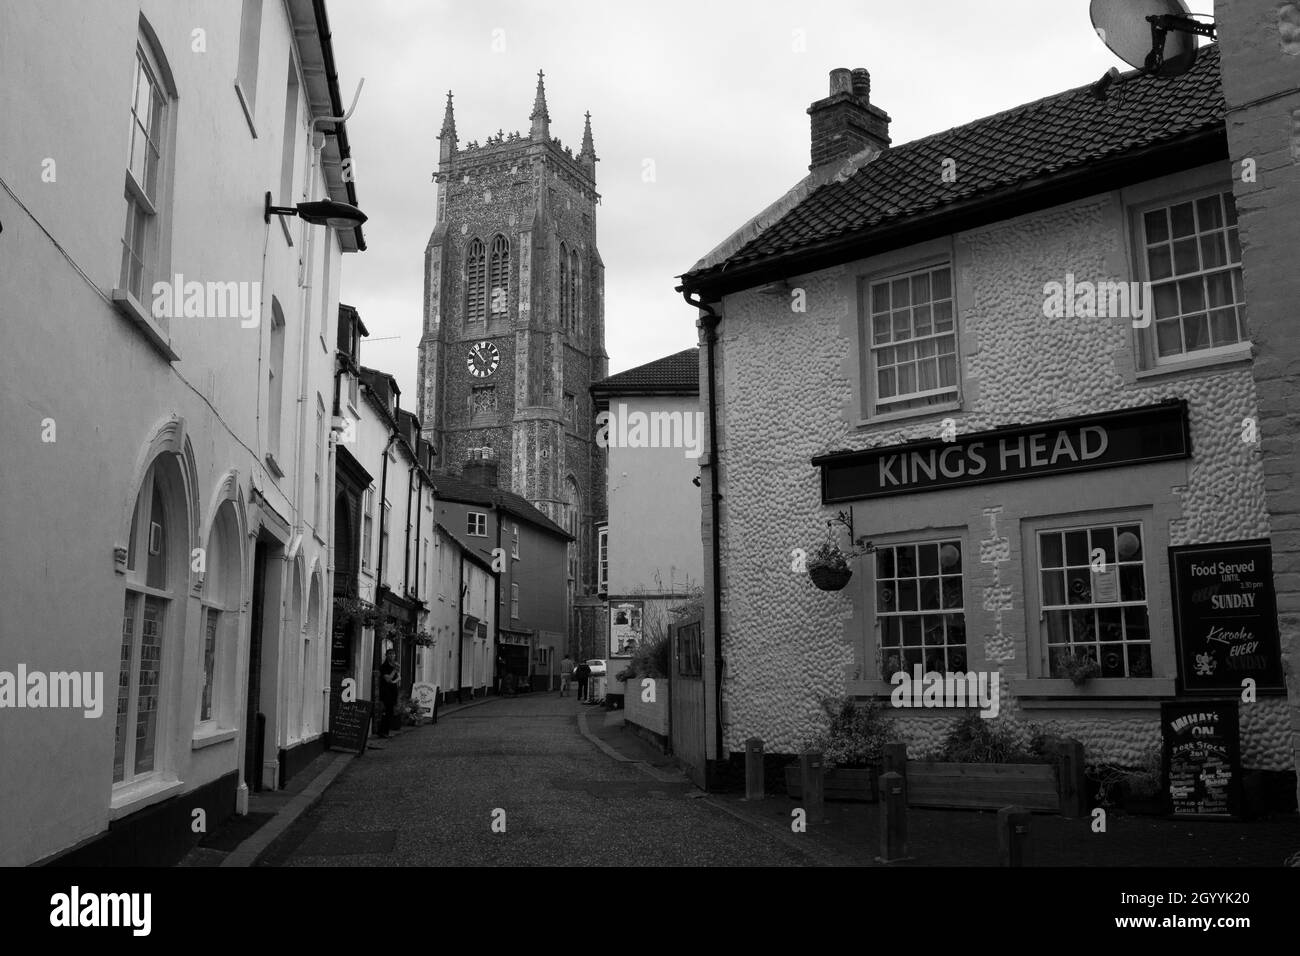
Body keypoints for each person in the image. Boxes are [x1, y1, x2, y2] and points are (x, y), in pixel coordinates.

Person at [378, 649, 400, 738]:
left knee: (390, 711)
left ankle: (385, 731)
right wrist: (394, 670)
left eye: (393, 654)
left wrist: (394, 682)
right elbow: (387, 679)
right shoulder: (384, 667)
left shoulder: (395, 665)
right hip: (386, 691)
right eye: (390, 654)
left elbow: (399, 677)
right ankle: (383, 732)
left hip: (393, 690)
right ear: (386, 655)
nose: (392, 656)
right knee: (386, 711)